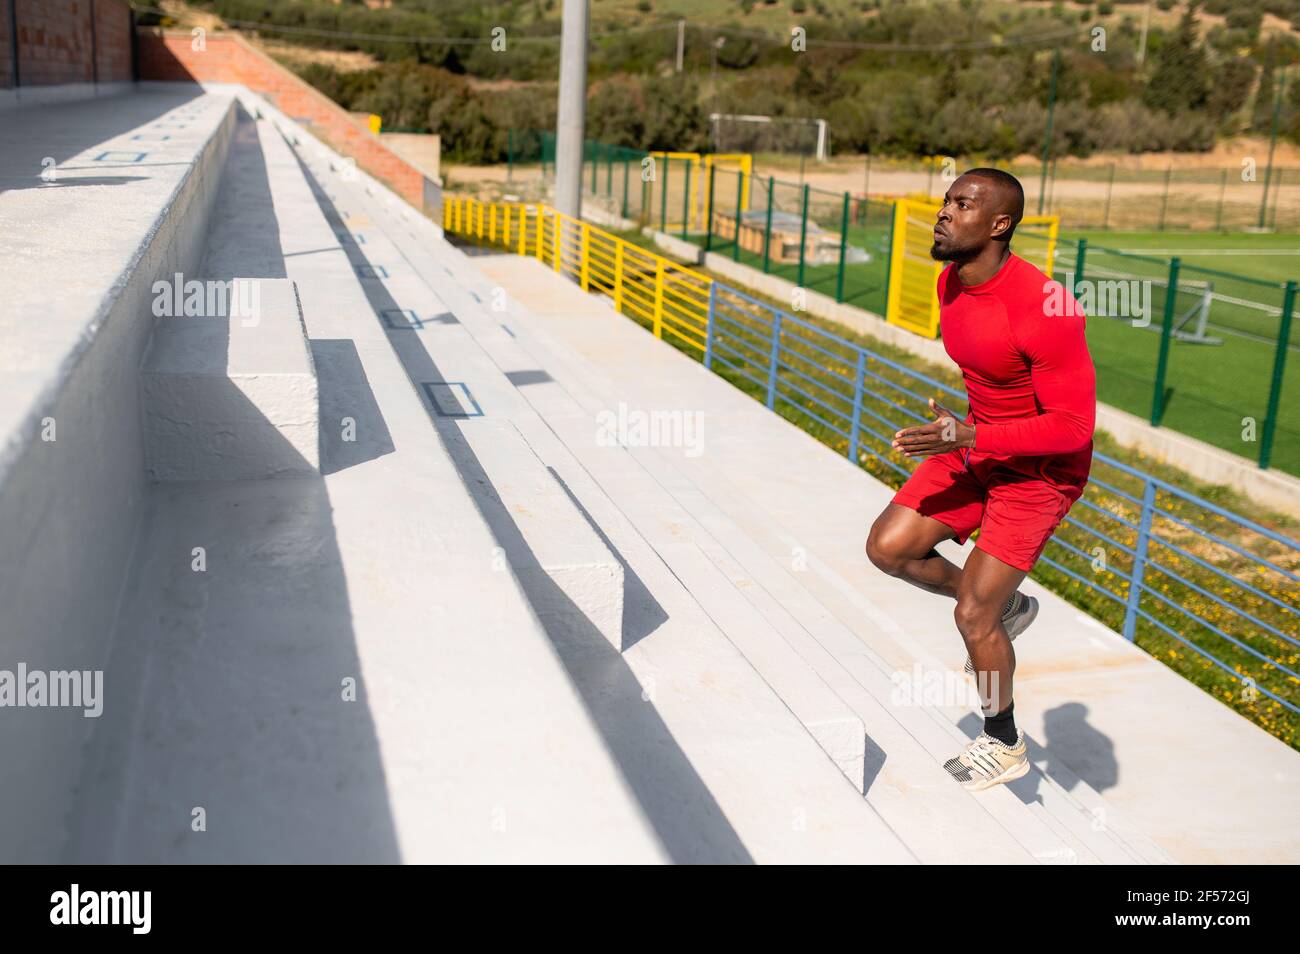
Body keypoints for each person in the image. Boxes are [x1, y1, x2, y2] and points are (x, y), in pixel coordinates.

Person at [865, 169, 1096, 792]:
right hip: (974, 441)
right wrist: (966, 434)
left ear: (1000, 224)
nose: (944, 212)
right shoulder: (950, 281)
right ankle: (1008, 607)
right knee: (889, 549)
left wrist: (973, 437)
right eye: (946, 200)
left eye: (962, 204)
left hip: (1039, 471)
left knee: (972, 618)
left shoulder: (1049, 309)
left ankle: (1003, 740)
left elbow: (1073, 426)